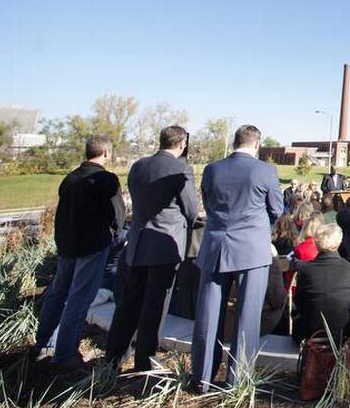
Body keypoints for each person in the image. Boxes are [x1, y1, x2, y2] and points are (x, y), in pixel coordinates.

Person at [190, 125, 284, 392]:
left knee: (208, 313)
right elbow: (276, 209)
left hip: (215, 246)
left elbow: (207, 205)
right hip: (252, 250)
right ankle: (237, 379)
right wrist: (255, 227)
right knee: (247, 316)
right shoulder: (265, 171)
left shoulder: (212, 169)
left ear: (235, 142)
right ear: (257, 144)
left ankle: (202, 378)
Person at [106, 126, 198, 372]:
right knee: (155, 306)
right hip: (165, 246)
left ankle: (114, 356)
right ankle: (144, 361)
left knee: (128, 302)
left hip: (137, 242)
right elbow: (191, 209)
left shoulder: (139, 166)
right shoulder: (181, 169)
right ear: (181, 144)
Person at [32, 136, 124, 370]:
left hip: (67, 245)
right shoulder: (105, 179)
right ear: (106, 154)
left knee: (58, 293)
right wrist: (115, 235)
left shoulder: (70, 178)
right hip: (92, 247)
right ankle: (65, 355)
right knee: (79, 298)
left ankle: (44, 344)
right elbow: (117, 215)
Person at [291, 225, 350, 345]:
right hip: (343, 333)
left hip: (310, 332)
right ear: (338, 243)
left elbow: (299, 302)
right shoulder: (349, 268)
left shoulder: (305, 269)